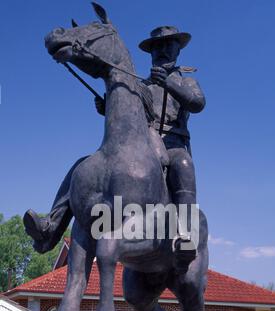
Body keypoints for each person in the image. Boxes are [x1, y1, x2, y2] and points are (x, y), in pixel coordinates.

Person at [23, 26, 205, 268]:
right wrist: (107, 105)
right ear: (150, 53)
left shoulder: (187, 80)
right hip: (143, 144)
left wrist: (170, 83)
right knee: (83, 166)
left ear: (177, 49)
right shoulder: (141, 84)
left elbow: (197, 103)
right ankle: (51, 226)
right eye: (156, 47)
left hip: (172, 145)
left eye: (167, 45)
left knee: (182, 164)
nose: (162, 50)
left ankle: (183, 233)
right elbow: (129, 115)